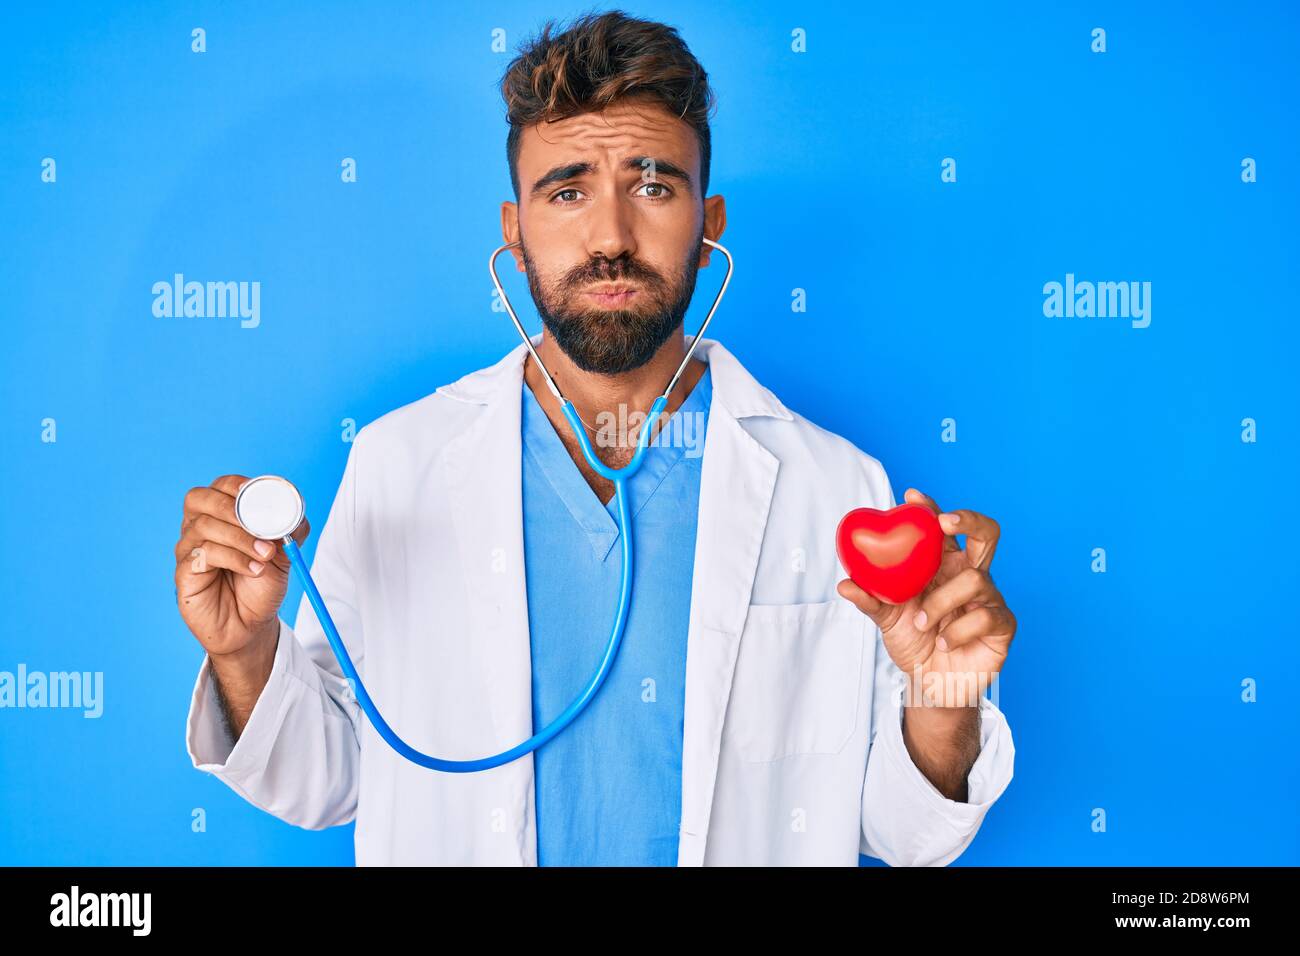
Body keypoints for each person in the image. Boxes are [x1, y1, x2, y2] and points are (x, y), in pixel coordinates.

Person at [174, 9, 1017, 866]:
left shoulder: (837, 487)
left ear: (709, 220)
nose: (610, 238)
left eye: (653, 186)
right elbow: (329, 781)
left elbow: (904, 837)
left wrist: (943, 692)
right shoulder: (401, 464)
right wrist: (244, 652)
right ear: (514, 229)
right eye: (567, 190)